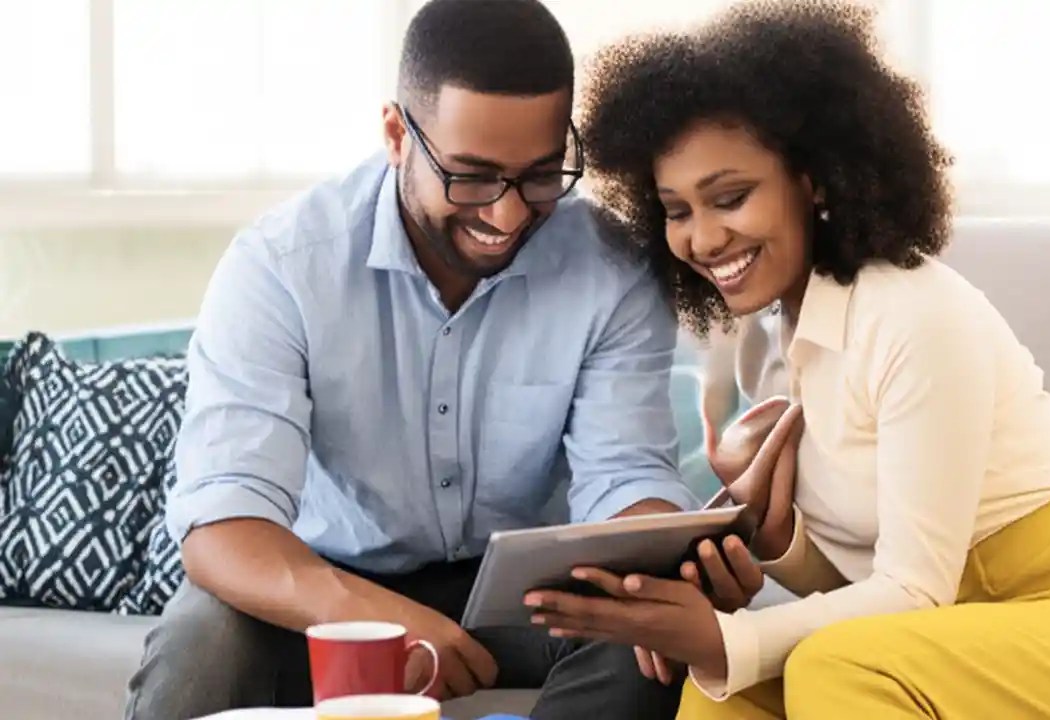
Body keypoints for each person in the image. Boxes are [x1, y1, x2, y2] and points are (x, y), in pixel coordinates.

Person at [523, 2, 1050, 718]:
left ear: (815, 178)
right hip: (961, 632)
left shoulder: (909, 311)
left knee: (833, 670)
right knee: (724, 699)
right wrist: (777, 542)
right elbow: (872, 591)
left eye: (731, 197)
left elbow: (914, 592)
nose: (703, 238)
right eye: (676, 209)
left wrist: (727, 639)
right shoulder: (765, 350)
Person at [122, 1, 699, 719]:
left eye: (541, 174)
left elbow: (626, 478)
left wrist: (656, 569)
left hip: (528, 593)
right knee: (200, 648)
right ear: (397, 134)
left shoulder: (611, 268)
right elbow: (223, 522)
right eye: (473, 177)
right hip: (325, 582)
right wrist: (374, 616)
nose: (508, 214)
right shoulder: (280, 267)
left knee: (643, 646)